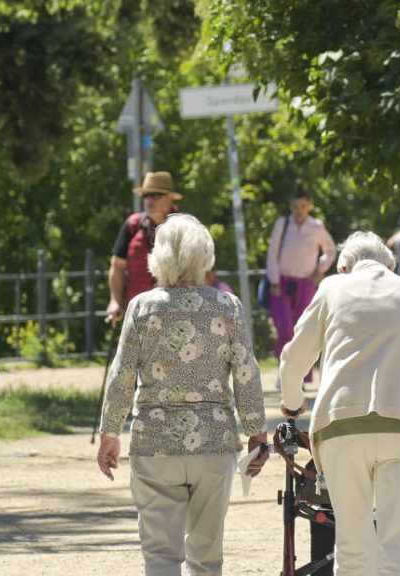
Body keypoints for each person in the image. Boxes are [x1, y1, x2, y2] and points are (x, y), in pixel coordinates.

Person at [279, 231, 400, 576]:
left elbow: (293, 360)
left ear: (343, 267)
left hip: (341, 426)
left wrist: (292, 403)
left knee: (352, 546)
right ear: (392, 266)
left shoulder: (332, 288)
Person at [96, 213, 269, 576]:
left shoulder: (142, 307)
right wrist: (257, 432)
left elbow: (122, 374)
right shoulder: (227, 306)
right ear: (205, 257)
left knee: (160, 555)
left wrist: (110, 432)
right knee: (207, 556)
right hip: (213, 443)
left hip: (155, 444)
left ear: (158, 258)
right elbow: (246, 373)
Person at [265, 186, 336, 379]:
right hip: (282, 281)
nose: (299, 210)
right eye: (296, 206)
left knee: (303, 329)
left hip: (306, 283)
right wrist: (273, 279)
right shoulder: (282, 223)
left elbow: (330, 250)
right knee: (284, 328)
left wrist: (320, 269)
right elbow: (272, 252)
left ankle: (302, 375)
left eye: (303, 206)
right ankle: (285, 372)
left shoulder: (316, 227)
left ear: (309, 206)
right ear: (290, 207)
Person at [106, 171, 181, 326]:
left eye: (155, 196)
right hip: (139, 314)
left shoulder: (185, 227)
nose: (149, 201)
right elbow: (117, 266)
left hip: (176, 314)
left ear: (170, 198)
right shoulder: (133, 226)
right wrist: (115, 300)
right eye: (146, 196)